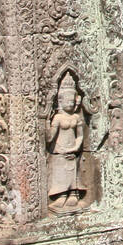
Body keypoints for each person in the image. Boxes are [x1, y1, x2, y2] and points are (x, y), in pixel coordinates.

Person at [47, 73, 86, 213]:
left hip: (73, 149)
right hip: (59, 150)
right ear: (60, 101)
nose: (69, 102)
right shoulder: (57, 118)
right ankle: (62, 195)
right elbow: (50, 137)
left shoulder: (76, 117)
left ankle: (73, 194)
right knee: (60, 172)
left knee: (73, 172)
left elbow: (80, 136)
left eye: (72, 100)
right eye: (66, 100)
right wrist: (46, 127)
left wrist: (76, 147)